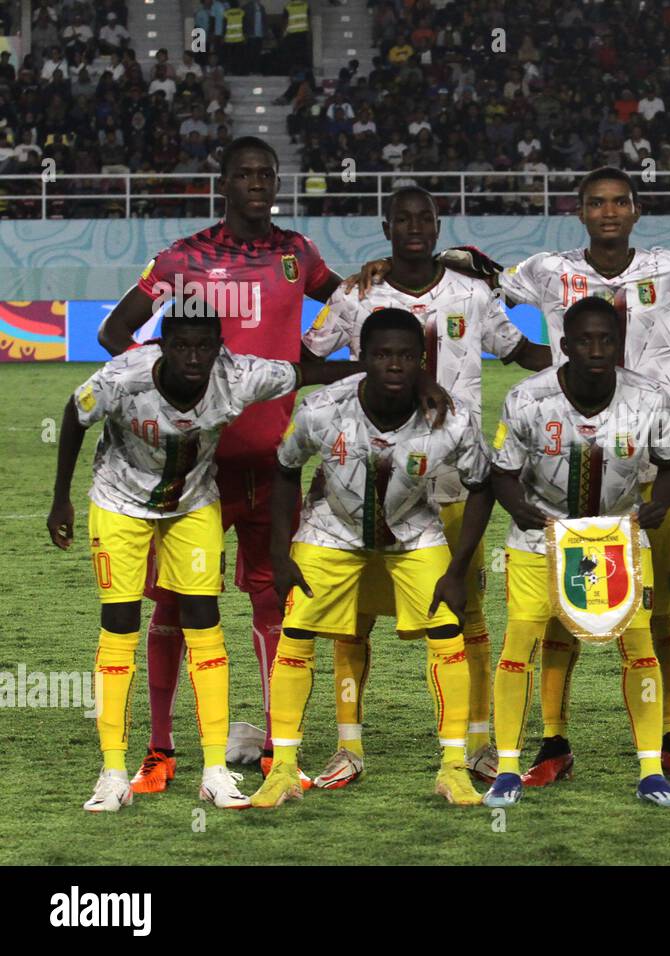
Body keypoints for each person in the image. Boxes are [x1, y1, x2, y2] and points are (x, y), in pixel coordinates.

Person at [350, 168, 670, 785]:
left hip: (648, 463)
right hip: (566, 453)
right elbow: (472, 277)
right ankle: (553, 741)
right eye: (596, 203)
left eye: (619, 202)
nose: (608, 213)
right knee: (560, 615)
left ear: (636, 210)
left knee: (657, 616)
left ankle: (668, 739)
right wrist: (382, 265)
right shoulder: (545, 270)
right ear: (579, 211)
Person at [98, 137, 350, 795]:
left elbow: (351, 304)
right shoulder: (183, 258)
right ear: (224, 183)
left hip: (275, 465)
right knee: (174, 609)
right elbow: (113, 334)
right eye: (245, 174)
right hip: (189, 471)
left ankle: (275, 746)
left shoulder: (299, 254)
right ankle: (160, 752)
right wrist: (163, 390)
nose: (258, 183)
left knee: (273, 597)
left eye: (267, 173)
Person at [48, 308, 350, 812]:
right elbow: (74, 414)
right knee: (119, 625)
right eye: (182, 346)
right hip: (119, 503)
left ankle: (215, 770)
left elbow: (310, 371)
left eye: (204, 347)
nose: (194, 357)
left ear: (219, 348)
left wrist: (387, 369)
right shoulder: (123, 376)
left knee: (204, 622)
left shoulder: (240, 375)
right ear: (161, 346)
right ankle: (113, 771)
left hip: (191, 505)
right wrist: (62, 498)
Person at [298, 187, 549, 789]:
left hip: (457, 478)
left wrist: (596, 360)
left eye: (425, 219)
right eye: (403, 219)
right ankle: (349, 747)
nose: (415, 228)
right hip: (367, 478)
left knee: (465, 612)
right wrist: (360, 375)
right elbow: (306, 362)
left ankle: (478, 743)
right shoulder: (357, 294)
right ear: (385, 226)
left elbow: (520, 351)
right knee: (352, 618)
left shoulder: (474, 291)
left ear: (440, 226)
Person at [251, 308, 490, 808]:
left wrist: (457, 565)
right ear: (361, 358)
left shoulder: (451, 419)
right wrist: (280, 549)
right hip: (329, 530)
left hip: (413, 531)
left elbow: (482, 485)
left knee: (449, 635)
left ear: (421, 361)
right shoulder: (323, 409)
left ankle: (453, 769)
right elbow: (283, 465)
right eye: (382, 355)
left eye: (406, 355)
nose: (394, 365)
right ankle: (286, 771)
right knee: (296, 636)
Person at [482, 296, 670, 809]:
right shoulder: (527, 399)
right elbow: (502, 473)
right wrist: (520, 510)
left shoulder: (650, 399)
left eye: (607, 339)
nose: (597, 349)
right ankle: (507, 768)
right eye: (585, 340)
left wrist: (660, 504)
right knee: (521, 643)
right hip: (540, 541)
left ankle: (649, 770)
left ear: (620, 345)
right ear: (565, 345)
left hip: (620, 537)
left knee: (638, 646)